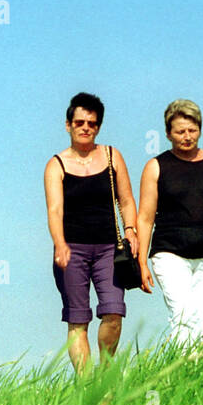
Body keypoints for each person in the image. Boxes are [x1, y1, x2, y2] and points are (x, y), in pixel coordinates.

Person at [135, 98, 203, 347]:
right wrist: (141, 261)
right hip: (170, 253)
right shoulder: (155, 167)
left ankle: (183, 375)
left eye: (192, 130)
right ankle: (182, 374)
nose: (187, 136)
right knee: (183, 316)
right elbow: (144, 218)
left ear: (200, 129)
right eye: (180, 131)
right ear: (168, 133)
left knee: (201, 318)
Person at [43, 92, 138, 373]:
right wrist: (59, 243)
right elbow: (55, 210)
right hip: (72, 248)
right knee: (78, 320)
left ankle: (105, 373)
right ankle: (85, 386)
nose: (86, 128)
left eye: (92, 123)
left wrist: (131, 230)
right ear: (68, 125)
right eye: (80, 122)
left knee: (113, 312)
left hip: (109, 248)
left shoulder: (111, 156)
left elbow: (126, 199)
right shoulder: (56, 165)